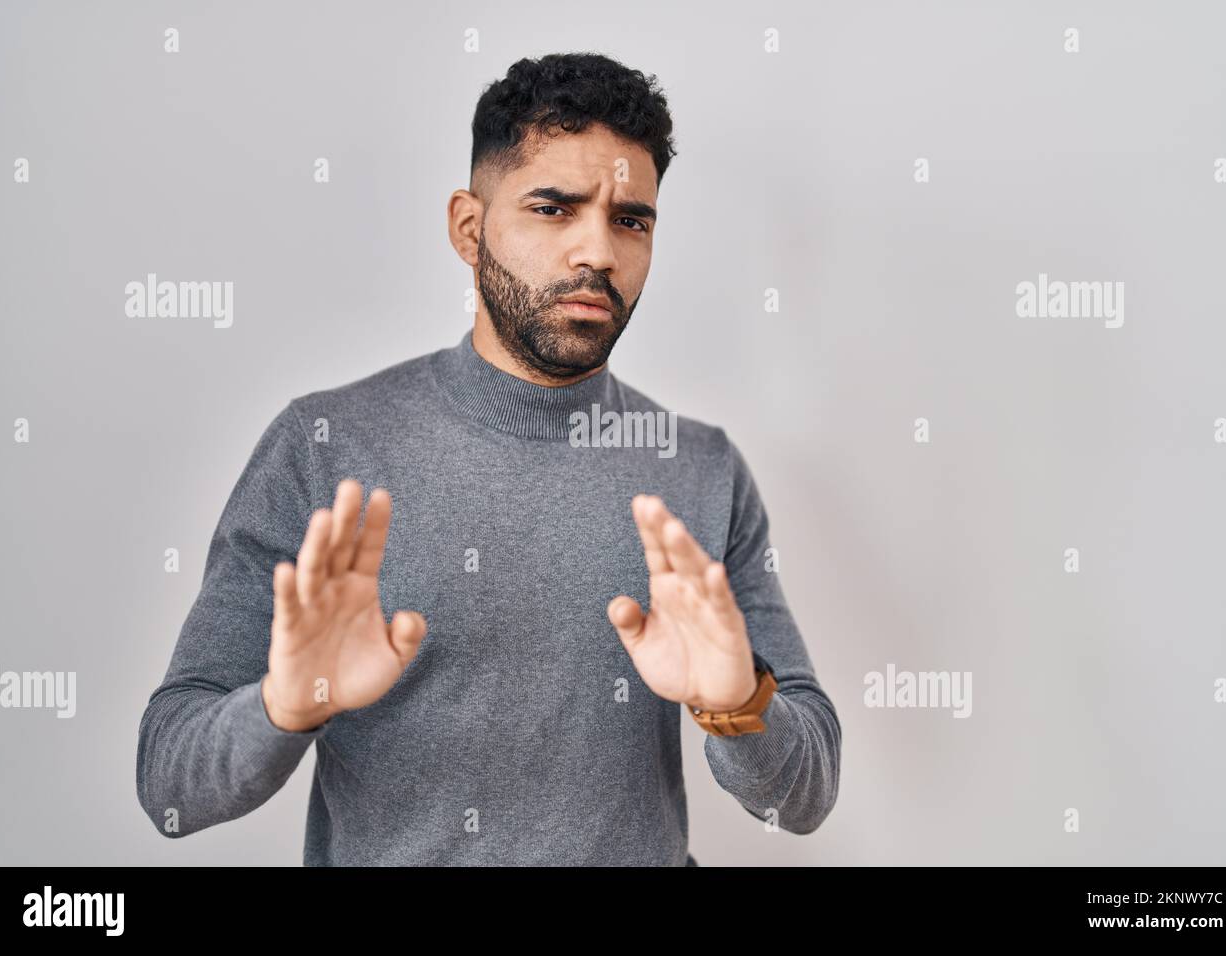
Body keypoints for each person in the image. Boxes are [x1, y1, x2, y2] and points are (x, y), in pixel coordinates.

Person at [136, 51, 841, 866]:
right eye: (553, 207)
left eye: (631, 219)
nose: (598, 253)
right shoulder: (322, 447)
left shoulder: (701, 470)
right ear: (469, 228)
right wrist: (283, 706)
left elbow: (807, 796)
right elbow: (170, 785)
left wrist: (736, 707)